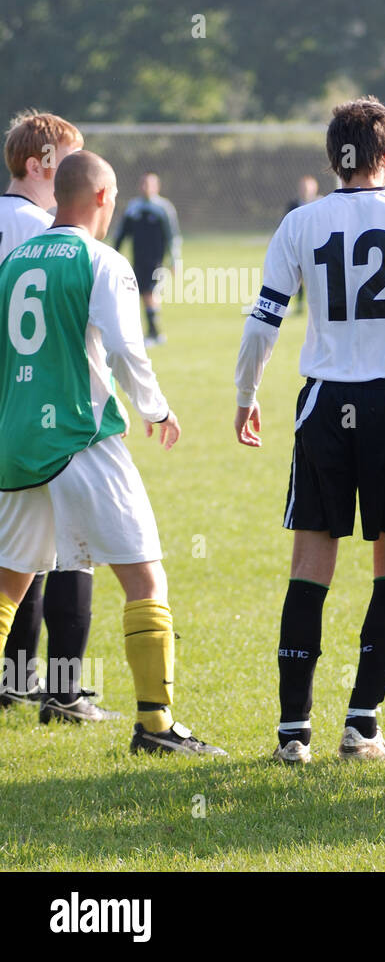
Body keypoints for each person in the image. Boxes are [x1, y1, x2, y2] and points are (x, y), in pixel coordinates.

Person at [234, 96, 385, 764]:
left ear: (334, 157)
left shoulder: (300, 222)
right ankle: (361, 725)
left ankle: (292, 734)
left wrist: (246, 395)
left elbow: (262, 321)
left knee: (310, 565)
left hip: (323, 402)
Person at [0, 151, 223, 755]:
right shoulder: (101, 260)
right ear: (102, 198)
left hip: (17, 442)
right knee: (146, 578)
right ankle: (156, 728)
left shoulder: (13, 261)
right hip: (79, 437)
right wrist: (156, 409)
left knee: (9, 586)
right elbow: (127, 349)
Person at [0, 110, 113, 724]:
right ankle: (64, 692)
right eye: (69, 159)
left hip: (5, 405)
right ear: (43, 165)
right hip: (40, 410)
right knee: (70, 544)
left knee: (21, 548)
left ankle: (18, 679)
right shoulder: (46, 231)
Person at [112, 172, 180, 345]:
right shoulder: (133, 207)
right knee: (141, 294)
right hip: (138, 259)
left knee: (149, 293)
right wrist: (114, 253)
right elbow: (122, 233)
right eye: (143, 184)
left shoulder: (163, 208)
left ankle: (155, 333)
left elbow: (172, 236)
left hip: (156, 260)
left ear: (156, 187)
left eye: (149, 184)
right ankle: (152, 332)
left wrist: (174, 260)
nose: (145, 188)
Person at [284, 175, 320, 315]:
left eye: (308, 187)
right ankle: (298, 304)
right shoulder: (293, 206)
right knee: (296, 274)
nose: (305, 190)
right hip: (298, 247)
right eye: (303, 187)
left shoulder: (321, 205)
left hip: (316, 247)